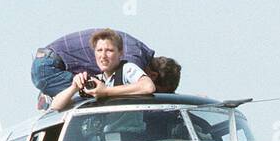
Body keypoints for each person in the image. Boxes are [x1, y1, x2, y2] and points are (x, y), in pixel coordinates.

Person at [33, 27, 180, 106]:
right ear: (153, 76)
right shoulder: (132, 62)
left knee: (95, 87)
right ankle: (51, 94)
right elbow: (142, 88)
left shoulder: (138, 51)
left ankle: (52, 90)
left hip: (50, 61)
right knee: (94, 98)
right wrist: (106, 91)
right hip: (49, 67)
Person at [50, 29, 155, 112]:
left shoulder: (127, 69)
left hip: (130, 135)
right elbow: (55, 107)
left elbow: (148, 87)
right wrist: (74, 87)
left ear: (120, 53)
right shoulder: (97, 80)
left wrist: (105, 92)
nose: (103, 56)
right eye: (99, 50)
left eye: (109, 50)